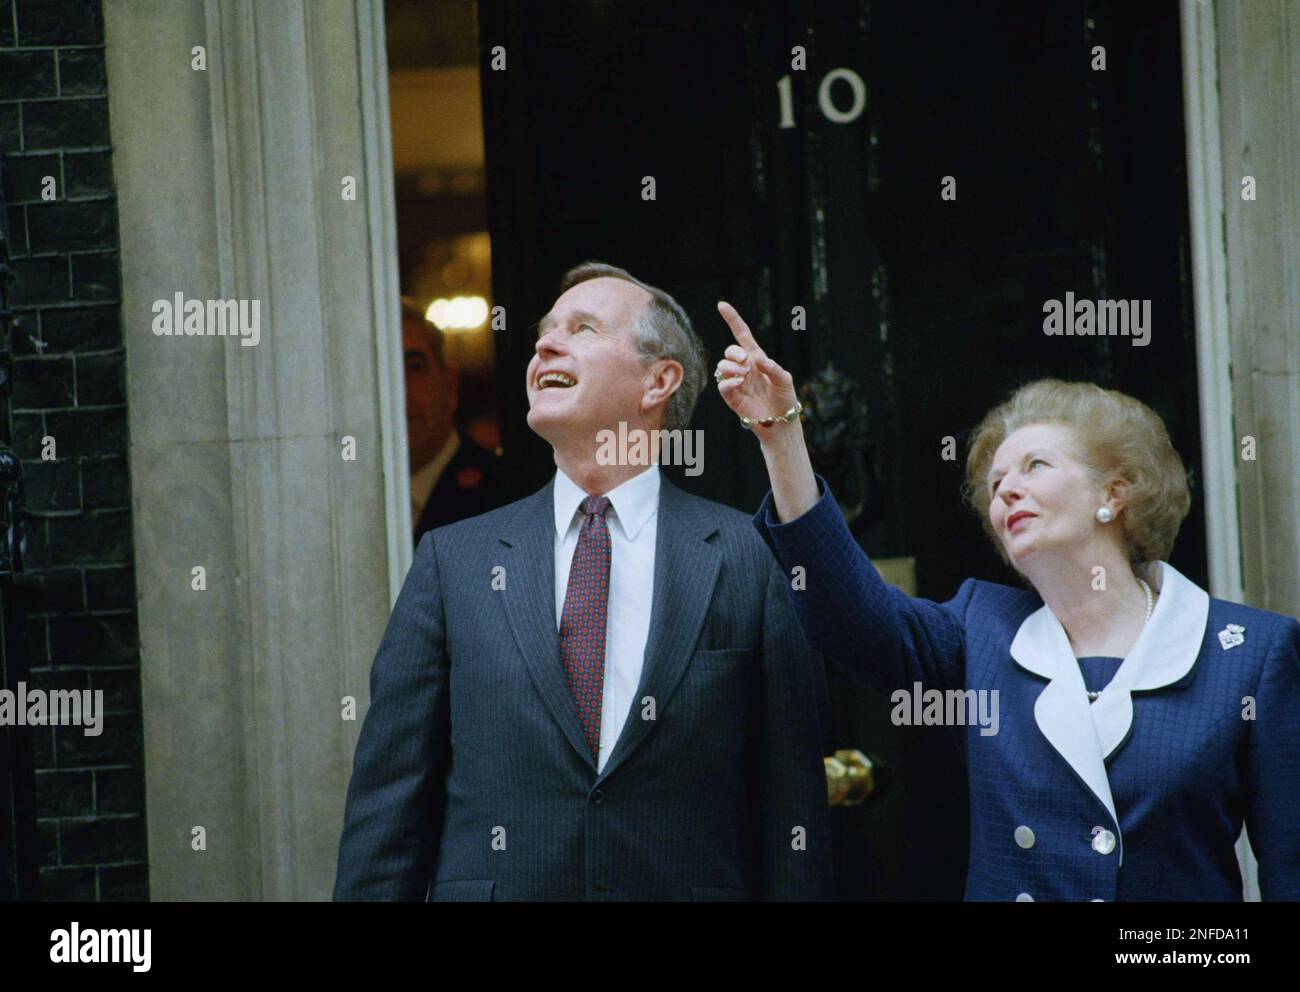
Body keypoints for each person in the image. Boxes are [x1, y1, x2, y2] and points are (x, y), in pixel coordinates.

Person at [713, 301, 1300, 902]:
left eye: (1035, 466)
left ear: (1115, 493)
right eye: (996, 485)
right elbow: (850, 615)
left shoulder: (1248, 653)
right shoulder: (983, 630)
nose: (1007, 490)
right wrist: (782, 434)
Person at [333, 265, 833, 901]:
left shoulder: (747, 557)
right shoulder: (452, 561)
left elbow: (793, 807)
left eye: (583, 329)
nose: (544, 346)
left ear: (659, 380)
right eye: (544, 334)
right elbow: (388, 812)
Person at [402, 298, 507, 544]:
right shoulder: (348, 496)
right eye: (381, 371)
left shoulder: (502, 492)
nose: (398, 388)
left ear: (449, 386)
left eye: (413, 368)